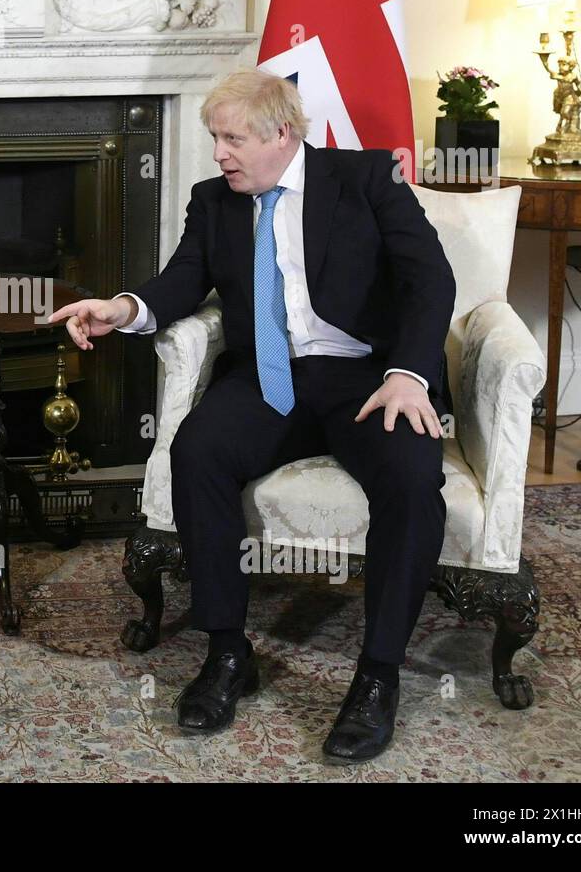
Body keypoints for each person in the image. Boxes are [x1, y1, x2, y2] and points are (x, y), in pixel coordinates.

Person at [49, 68, 455, 764]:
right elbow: (182, 281)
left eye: (233, 139)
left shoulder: (367, 179)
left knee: (413, 478)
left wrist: (408, 374)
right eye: (215, 137)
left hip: (368, 376)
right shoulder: (214, 201)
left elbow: (430, 278)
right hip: (270, 375)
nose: (219, 154)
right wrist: (121, 309)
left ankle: (377, 676)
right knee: (197, 450)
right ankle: (228, 652)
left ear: (281, 134)